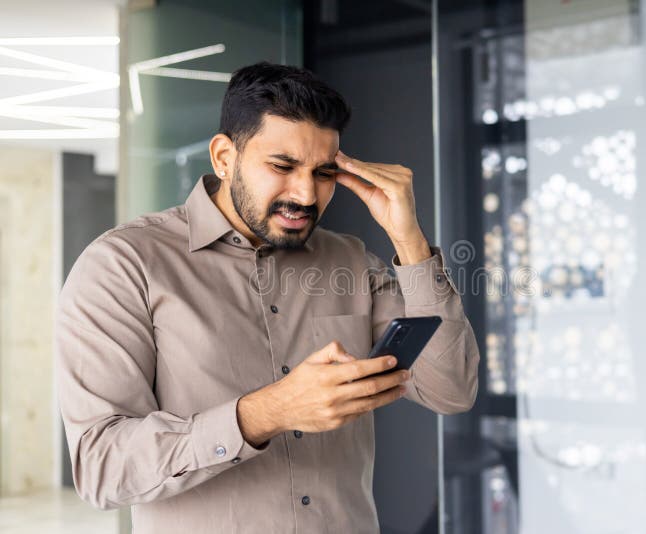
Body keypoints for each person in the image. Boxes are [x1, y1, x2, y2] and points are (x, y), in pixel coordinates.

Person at [56, 61, 479, 533]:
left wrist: (409, 240)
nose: (304, 193)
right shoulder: (125, 264)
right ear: (223, 157)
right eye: (282, 166)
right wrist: (268, 413)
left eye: (323, 173)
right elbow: (102, 470)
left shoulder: (351, 261)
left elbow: (451, 390)